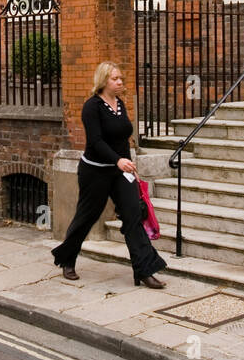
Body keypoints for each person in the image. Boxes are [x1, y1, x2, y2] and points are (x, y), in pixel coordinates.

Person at [51, 61, 168, 288]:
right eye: (115, 79)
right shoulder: (91, 107)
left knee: (133, 215)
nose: (120, 82)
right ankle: (67, 258)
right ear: (104, 81)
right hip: (94, 172)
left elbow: (122, 137)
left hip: (119, 172)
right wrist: (117, 160)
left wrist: (128, 163)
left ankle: (144, 271)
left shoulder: (120, 104)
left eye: (121, 78)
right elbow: (95, 141)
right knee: (87, 216)